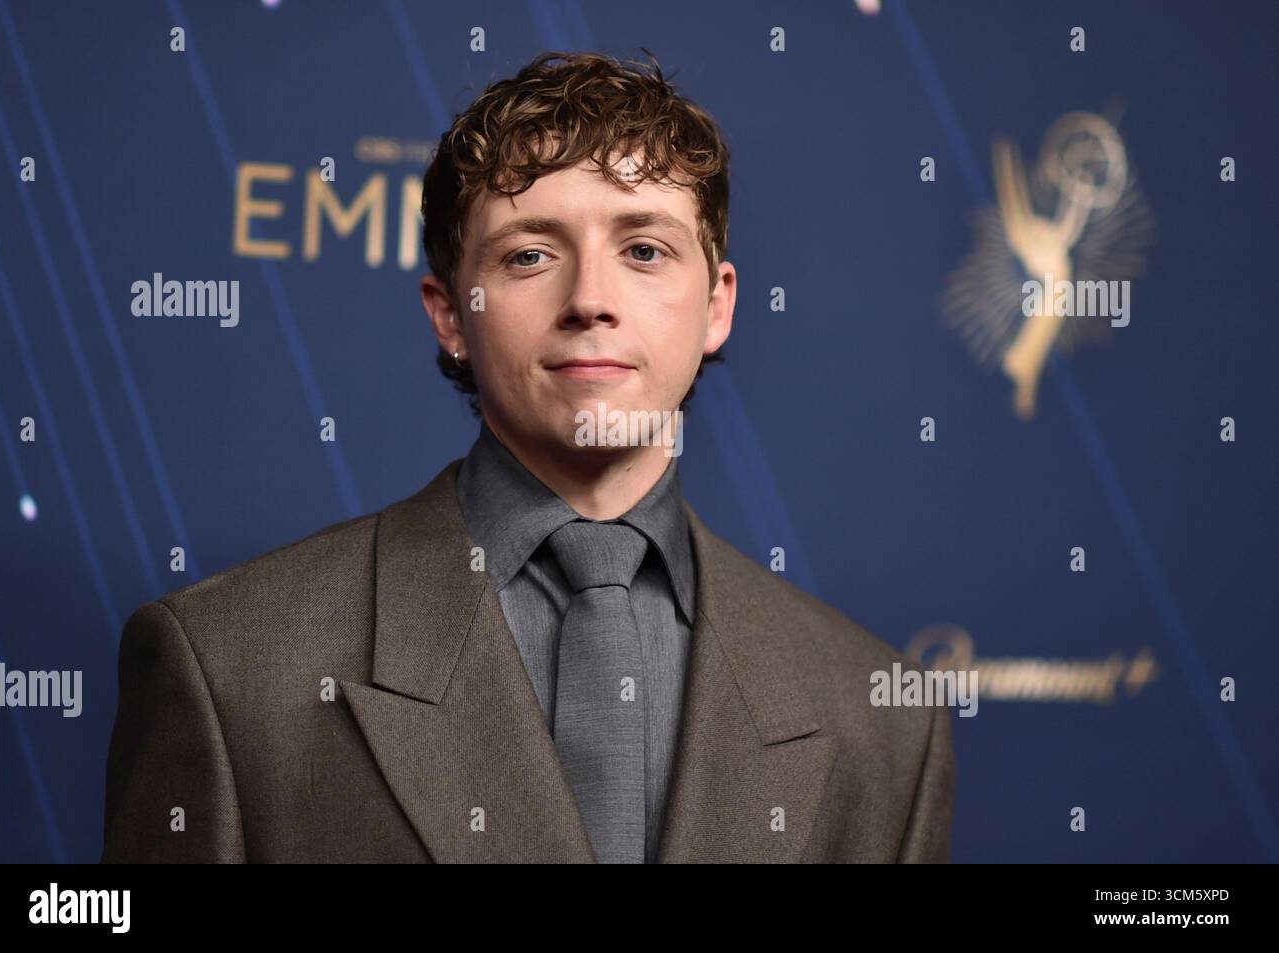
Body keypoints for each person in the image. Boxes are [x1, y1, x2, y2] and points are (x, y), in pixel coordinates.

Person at [101, 50, 954, 864]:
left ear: (719, 305)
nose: (590, 299)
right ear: (449, 314)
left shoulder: (881, 717)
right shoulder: (229, 670)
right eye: (530, 255)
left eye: (645, 250)